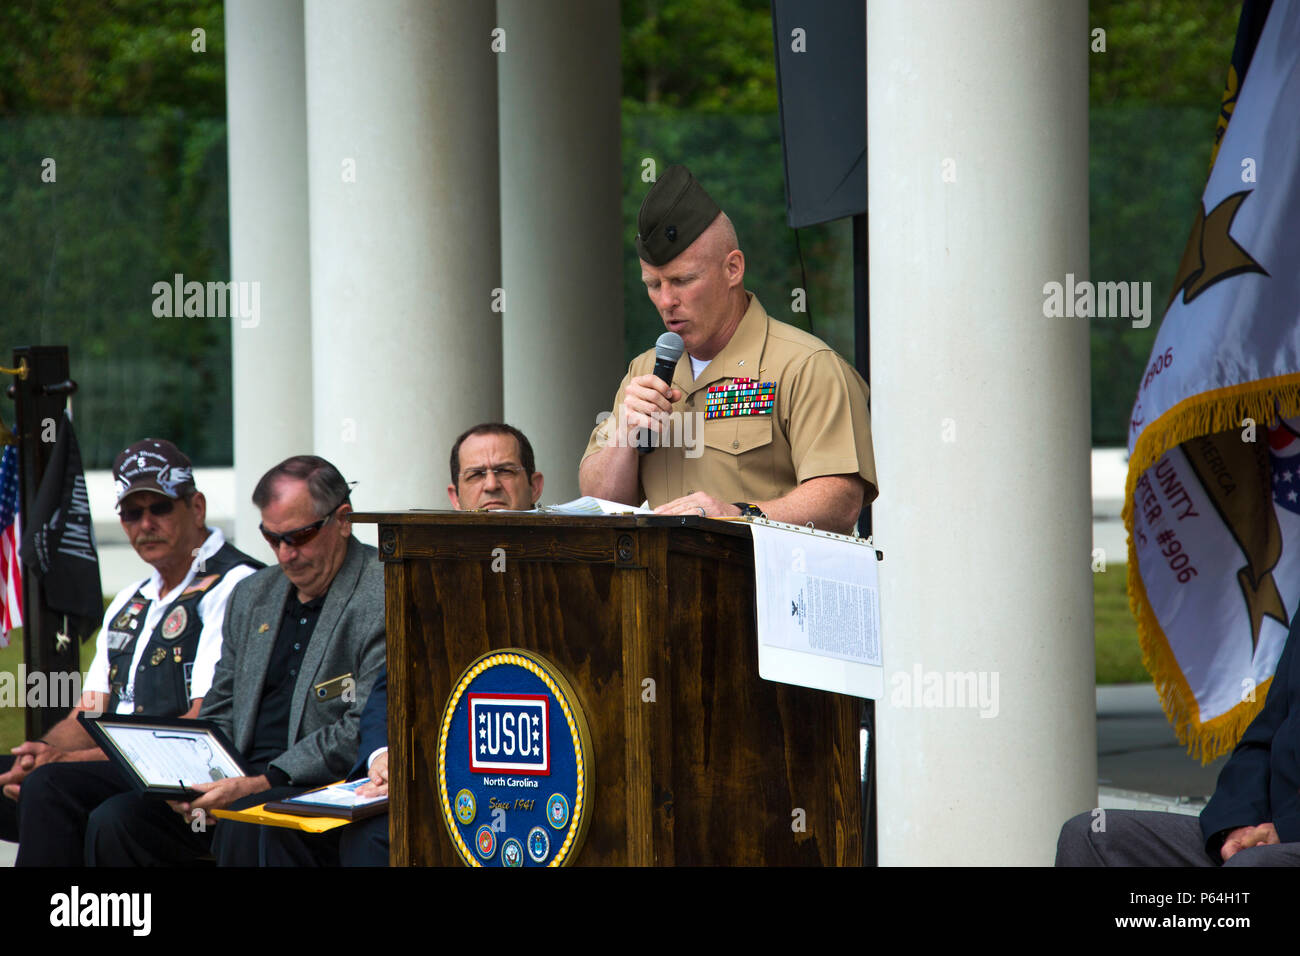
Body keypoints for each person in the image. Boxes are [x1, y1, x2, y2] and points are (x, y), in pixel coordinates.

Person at [261, 423, 544, 866]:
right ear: (455, 496)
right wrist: (382, 753)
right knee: (310, 833)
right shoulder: (430, 578)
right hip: (435, 774)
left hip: (537, 776)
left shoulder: (572, 566)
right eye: (476, 475)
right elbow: (387, 688)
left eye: (505, 471)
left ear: (535, 485)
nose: (491, 484)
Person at [83, 454, 386, 866]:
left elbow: (363, 723)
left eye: (300, 536)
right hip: (237, 779)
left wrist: (261, 781)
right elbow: (221, 704)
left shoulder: (381, 592)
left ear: (344, 519)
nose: (285, 555)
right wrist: (194, 783)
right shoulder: (254, 594)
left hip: (316, 787)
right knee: (116, 820)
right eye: (272, 538)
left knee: (250, 819)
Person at [0, 438, 262, 866]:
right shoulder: (129, 599)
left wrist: (63, 763)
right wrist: (41, 752)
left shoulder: (236, 587)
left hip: (191, 771)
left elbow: (203, 724)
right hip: (121, 765)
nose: (145, 524)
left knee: (51, 787)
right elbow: (89, 713)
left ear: (196, 507)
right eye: (131, 513)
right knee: (30, 776)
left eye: (159, 508)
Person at [579, 164, 877, 535]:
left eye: (683, 280)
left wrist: (736, 514)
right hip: (664, 588)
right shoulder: (644, 372)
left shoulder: (806, 366)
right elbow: (600, 503)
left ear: (733, 269)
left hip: (764, 587)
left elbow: (839, 501)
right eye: (653, 284)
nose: (666, 300)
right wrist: (624, 431)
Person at [1057, 612, 1300, 866]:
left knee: (1252, 864)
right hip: (1263, 834)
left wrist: (1286, 830)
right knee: (1091, 835)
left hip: (1282, 840)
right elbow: (1262, 740)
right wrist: (1237, 826)